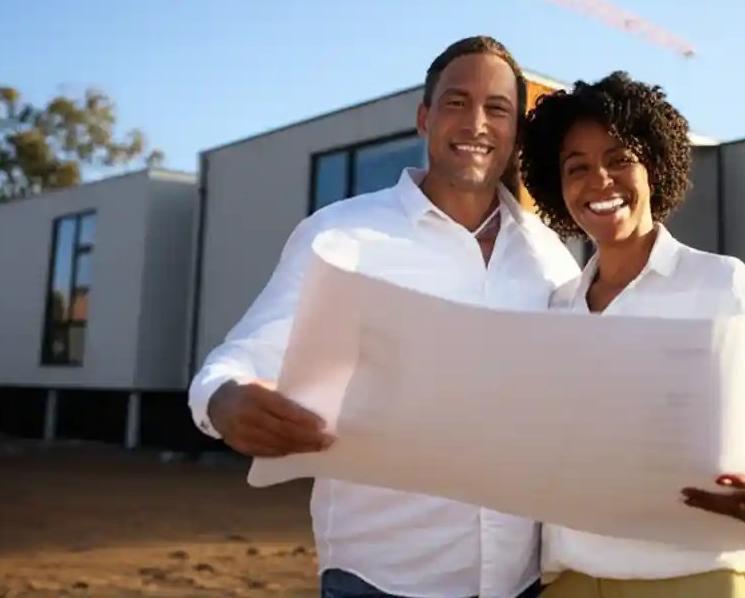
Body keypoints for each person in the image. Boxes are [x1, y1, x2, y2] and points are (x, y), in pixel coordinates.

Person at [188, 36, 582, 598]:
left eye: (497, 108)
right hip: (380, 579)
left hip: (522, 580)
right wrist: (222, 399)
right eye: (456, 102)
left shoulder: (549, 258)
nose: (476, 123)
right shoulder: (340, 236)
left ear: (516, 128)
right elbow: (243, 357)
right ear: (424, 118)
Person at [518, 71, 745, 598]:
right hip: (572, 582)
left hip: (703, 581)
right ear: (558, 186)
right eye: (578, 167)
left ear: (654, 167)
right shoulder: (556, 309)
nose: (599, 180)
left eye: (620, 159)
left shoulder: (720, 283)